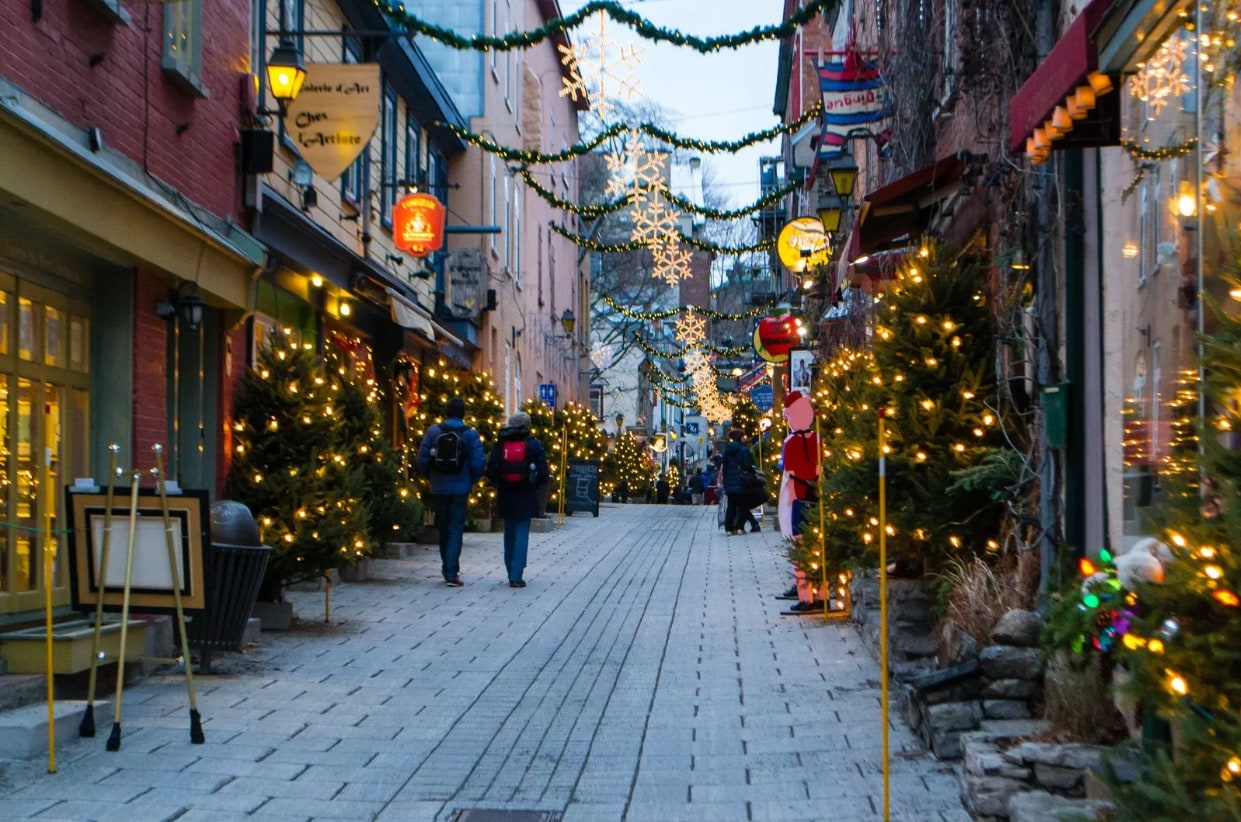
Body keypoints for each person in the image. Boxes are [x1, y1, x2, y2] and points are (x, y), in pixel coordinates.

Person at [417, 396, 485, 587]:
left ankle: (446, 568)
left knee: (443, 527)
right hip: (460, 488)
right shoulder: (470, 434)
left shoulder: (433, 431)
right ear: (463, 414)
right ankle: (451, 572)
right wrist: (470, 480)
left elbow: (422, 459)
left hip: (439, 487)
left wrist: (430, 477)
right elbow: (478, 462)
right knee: (455, 527)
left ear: (446, 412)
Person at [484, 412, 549, 588]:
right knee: (522, 532)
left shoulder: (502, 443)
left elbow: (490, 470)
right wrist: (534, 483)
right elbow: (544, 474)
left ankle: (509, 568)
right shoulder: (534, 445)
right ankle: (516, 574)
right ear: (528, 425)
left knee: (509, 532)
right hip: (526, 493)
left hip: (506, 493)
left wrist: (500, 482)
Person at [721, 428, 755, 535]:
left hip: (730, 483)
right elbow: (746, 465)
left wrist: (726, 482)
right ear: (740, 437)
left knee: (731, 506)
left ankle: (729, 529)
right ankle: (740, 527)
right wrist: (752, 471)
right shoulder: (743, 450)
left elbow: (725, 468)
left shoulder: (727, 451)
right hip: (741, 482)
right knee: (743, 506)